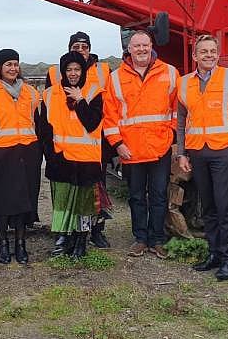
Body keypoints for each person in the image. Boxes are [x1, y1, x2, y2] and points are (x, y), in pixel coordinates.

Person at [177, 34, 228, 281]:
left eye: (212, 51)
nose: (208, 55)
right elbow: (181, 120)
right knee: (207, 205)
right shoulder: (184, 82)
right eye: (203, 52)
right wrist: (182, 153)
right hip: (198, 152)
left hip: (223, 152)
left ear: (217, 54)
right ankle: (214, 254)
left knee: (224, 205)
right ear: (195, 56)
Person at [103, 30, 179, 259]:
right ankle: (140, 239)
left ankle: (157, 239)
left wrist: (172, 135)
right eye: (137, 46)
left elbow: (179, 110)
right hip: (131, 149)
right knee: (136, 196)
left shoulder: (170, 73)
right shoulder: (116, 78)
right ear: (129, 49)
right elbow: (110, 115)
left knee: (158, 195)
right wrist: (117, 144)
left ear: (151, 46)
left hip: (160, 148)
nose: (142, 50)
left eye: (145, 45)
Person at [45, 31, 113, 249]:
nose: (81, 50)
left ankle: (95, 232)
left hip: (90, 150)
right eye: (76, 47)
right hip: (63, 153)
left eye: (85, 46)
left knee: (92, 197)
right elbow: (47, 124)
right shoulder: (52, 81)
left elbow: (100, 116)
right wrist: (51, 153)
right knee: (65, 197)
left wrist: (81, 100)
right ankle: (65, 234)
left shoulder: (102, 72)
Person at [0, 49, 42, 264]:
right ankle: (3, 243)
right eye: (8, 64)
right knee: (1, 203)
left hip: (27, 155)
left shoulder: (30, 92)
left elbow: (39, 124)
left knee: (23, 202)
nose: (13, 68)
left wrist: (38, 151)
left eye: (15, 64)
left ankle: (20, 244)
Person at [39, 51, 104, 258]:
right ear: (63, 72)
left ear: (83, 70)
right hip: (61, 160)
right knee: (63, 203)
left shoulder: (94, 91)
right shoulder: (49, 95)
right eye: (69, 69)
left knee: (84, 206)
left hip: (87, 159)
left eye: (77, 69)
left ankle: (81, 242)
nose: (73, 73)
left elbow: (92, 123)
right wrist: (52, 155)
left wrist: (80, 99)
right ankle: (65, 239)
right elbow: (43, 129)